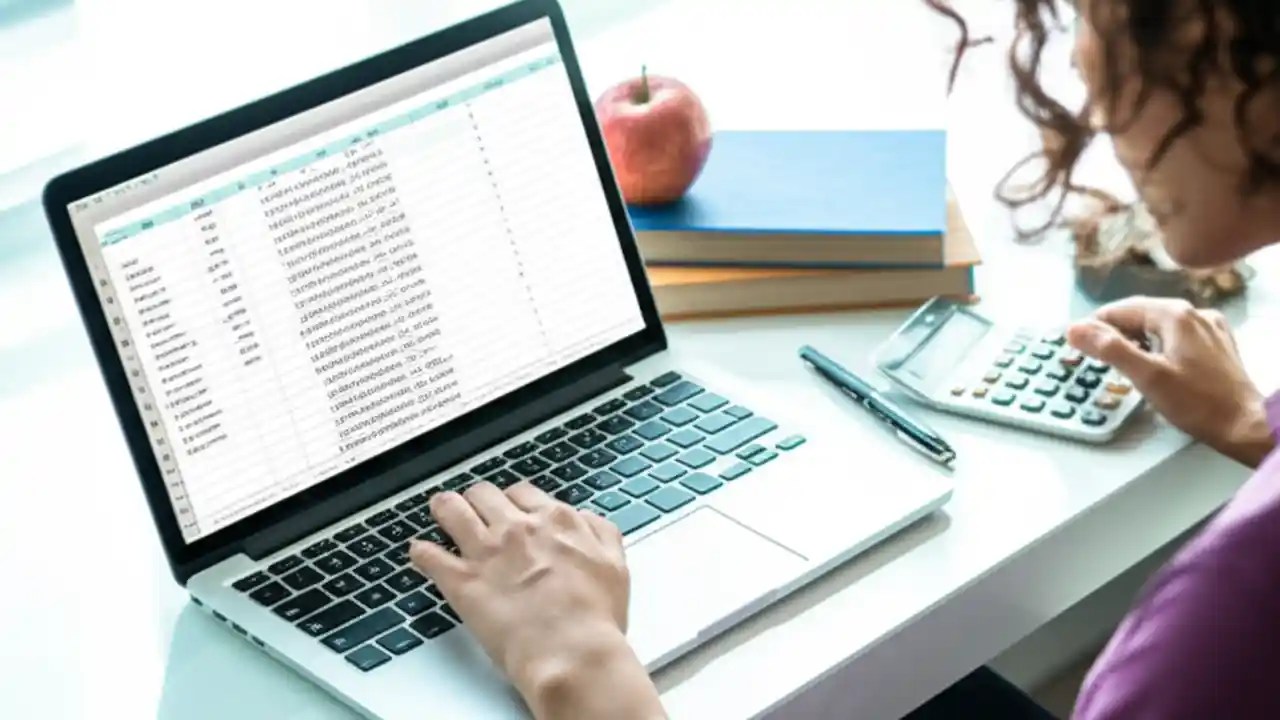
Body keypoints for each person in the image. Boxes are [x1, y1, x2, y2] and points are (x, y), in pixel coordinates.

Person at [405, 0, 1280, 717]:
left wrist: (579, 667)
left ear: (1214, 34)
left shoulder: (1229, 612)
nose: (1080, 86)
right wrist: (1255, 431)